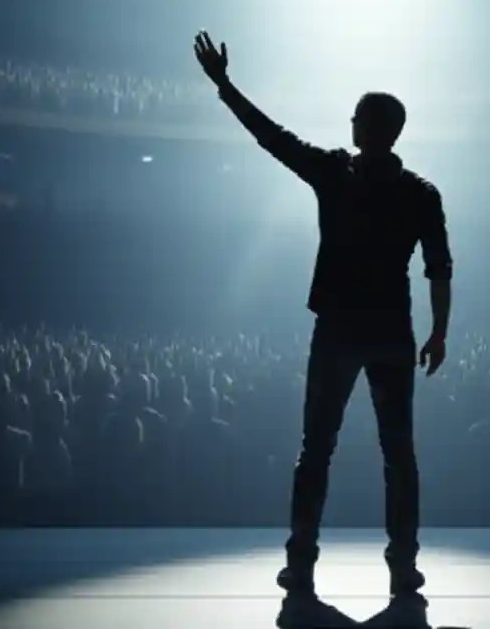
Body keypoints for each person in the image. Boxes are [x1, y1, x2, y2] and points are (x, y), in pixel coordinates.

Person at [193, 31, 453, 599]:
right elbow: (439, 268)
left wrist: (225, 87)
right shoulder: (420, 193)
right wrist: (439, 331)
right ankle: (403, 565)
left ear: (373, 129)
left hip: (338, 330)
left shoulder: (336, 174)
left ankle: (301, 561)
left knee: (317, 449)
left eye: (357, 116)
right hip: (390, 333)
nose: (350, 121)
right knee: (398, 454)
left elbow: (273, 139)